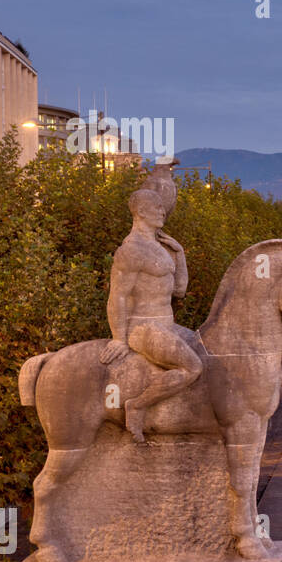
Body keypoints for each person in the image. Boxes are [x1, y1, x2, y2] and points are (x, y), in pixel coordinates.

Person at [100, 187, 202, 442]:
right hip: (143, 329)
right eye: (157, 207)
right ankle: (137, 406)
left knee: (209, 352)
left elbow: (180, 291)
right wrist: (119, 338)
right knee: (193, 366)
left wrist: (180, 255)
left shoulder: (162, 248)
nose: (162, 212)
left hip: (167, 326)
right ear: (141, 211)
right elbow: (118, 296)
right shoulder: (131, 250)